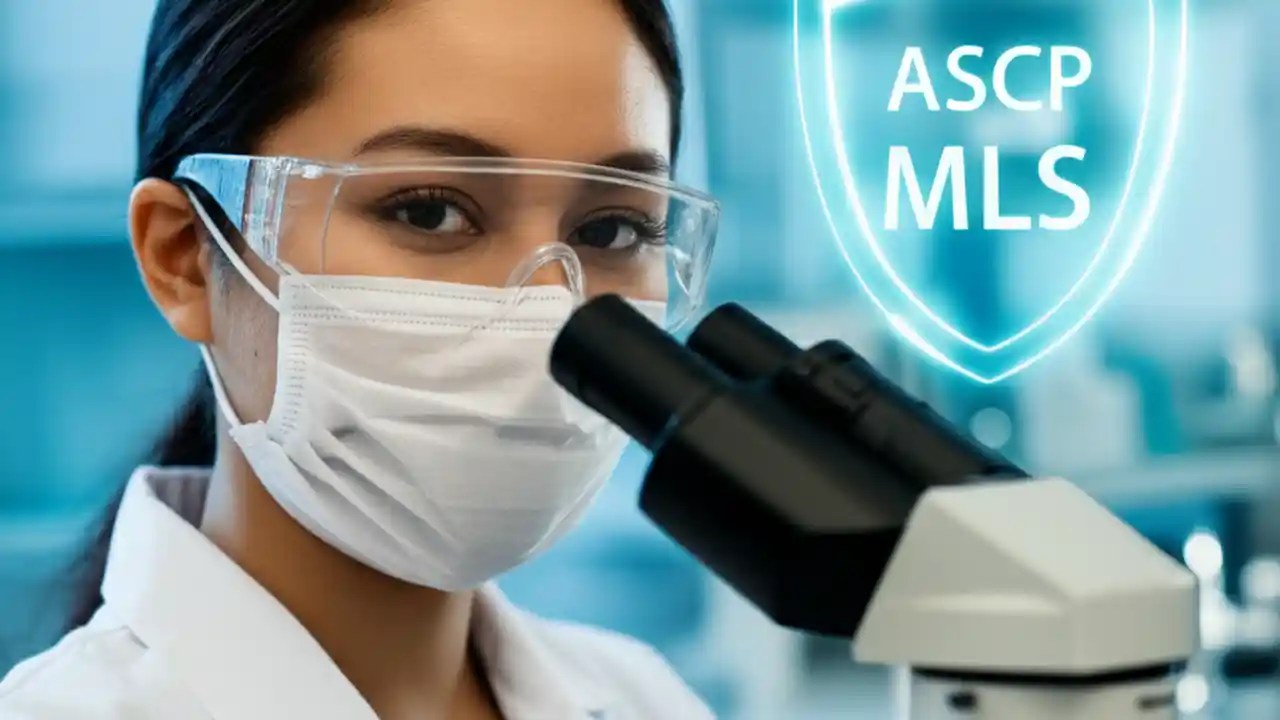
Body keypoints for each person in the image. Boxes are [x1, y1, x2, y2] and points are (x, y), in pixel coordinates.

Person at [0, 0, 721, 717]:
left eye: (615, 229)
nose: (550, 314)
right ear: (183, 256)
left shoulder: (644, 699)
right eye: (429, 211)